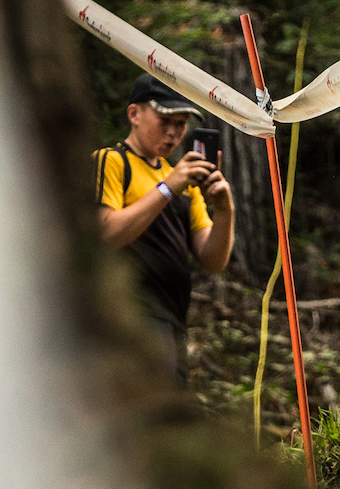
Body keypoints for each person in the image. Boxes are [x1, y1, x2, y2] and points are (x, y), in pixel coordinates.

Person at [94, 74, 235, 380]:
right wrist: (167, 188)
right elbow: (105, 233)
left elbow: (212, 260)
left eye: (181, 124)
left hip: (173, 319)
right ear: (134, 114)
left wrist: (224, 210)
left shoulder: (182, 178)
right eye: (164, 121)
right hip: (129, 313)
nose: (173, 133)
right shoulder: (112, 161)